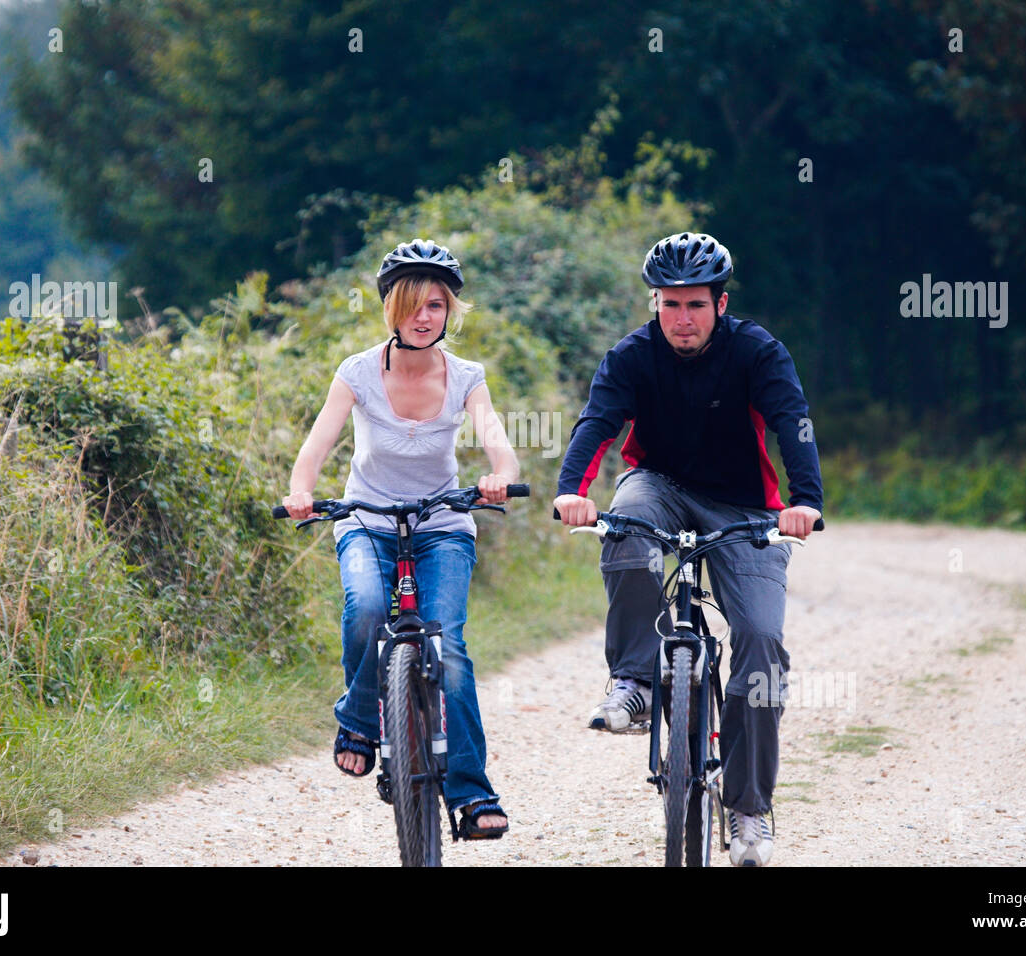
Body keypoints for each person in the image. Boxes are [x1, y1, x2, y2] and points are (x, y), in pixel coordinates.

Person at [552, 232, 823, 865]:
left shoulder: (758, 352)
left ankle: (750, 811)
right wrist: (573, 490)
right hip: (661, 487)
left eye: (695, 305)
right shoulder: (633, 355)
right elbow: (598, 422)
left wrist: (803, 500)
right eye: (669, 304)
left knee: (760, 639)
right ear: (655, 303)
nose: (681, 319)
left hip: (746, 509)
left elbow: (792, 421)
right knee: (626, 525)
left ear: (720, 305)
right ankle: (636, 682)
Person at [284, 239, 516, 838]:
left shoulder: (467, 377)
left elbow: (498, 443)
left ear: (450, 312)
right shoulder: (357, 372)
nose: (424, 316)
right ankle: (360, 718)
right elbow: (316, 447)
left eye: (436, 305)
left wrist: (499, 478)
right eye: (413, 304)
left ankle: (471, 794)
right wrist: (301, 490)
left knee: (451, 650)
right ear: (391, 308)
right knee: (365, 607)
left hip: (441, 525)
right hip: (366, 518)